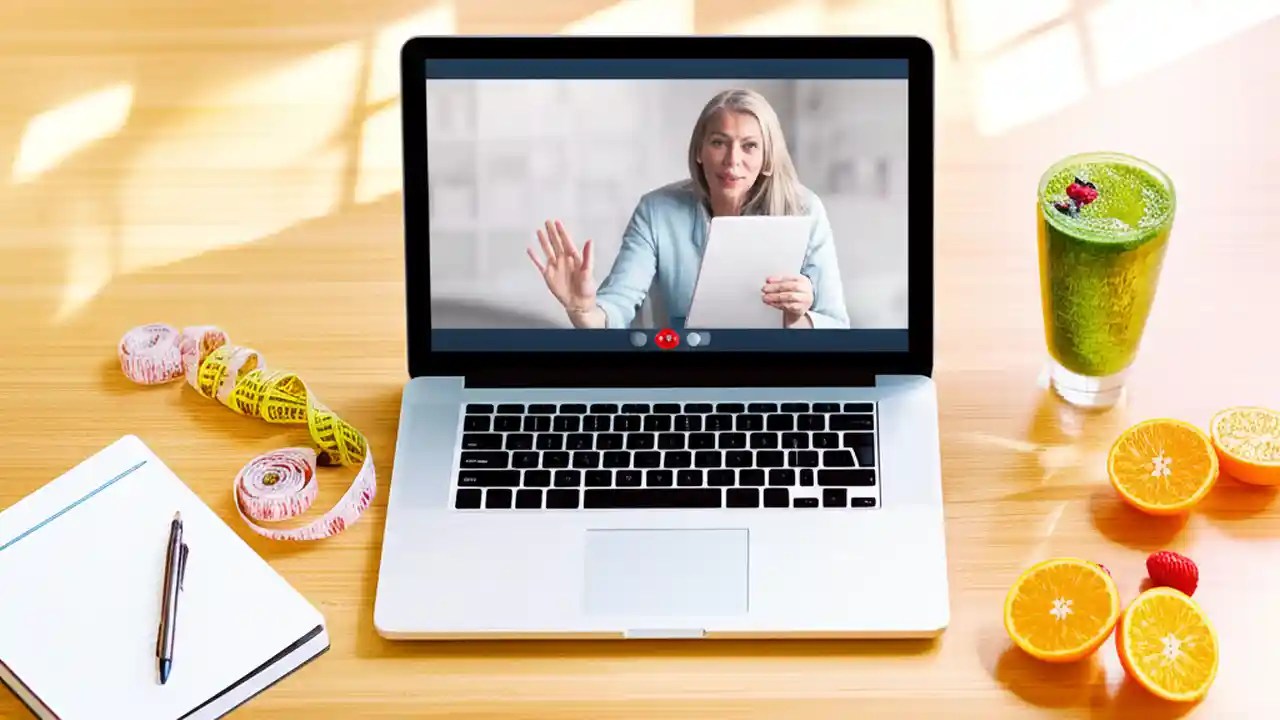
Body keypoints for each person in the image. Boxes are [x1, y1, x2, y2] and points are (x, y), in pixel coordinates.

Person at [526, 88, 850, 330]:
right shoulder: (658, 212)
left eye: (749, 146)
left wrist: (796, 319)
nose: (732, 160)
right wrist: (582, 310)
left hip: (778, 378)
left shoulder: (806, 210)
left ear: (767, 159)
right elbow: (616, 308)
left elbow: (837, 326)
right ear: (699, 150)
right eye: (719, 143)